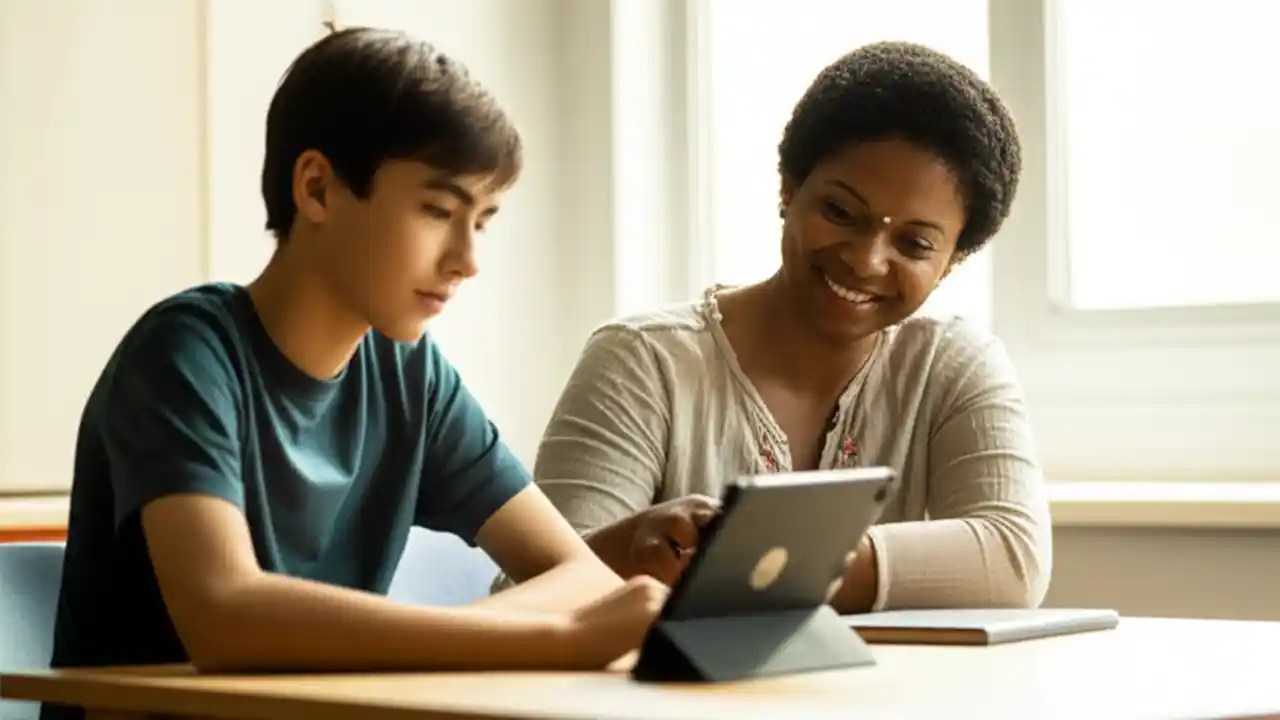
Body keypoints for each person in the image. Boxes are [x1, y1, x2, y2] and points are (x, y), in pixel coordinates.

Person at [46, 27, 665, 718]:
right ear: (317, 189)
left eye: (482, 221)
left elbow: (578, 574)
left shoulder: (411, 375)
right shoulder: (185, 356)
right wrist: (545, 640)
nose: (467, 259)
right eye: (437, 211)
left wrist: (543, 633)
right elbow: (225, 615)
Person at [526, 42, 1051, 613]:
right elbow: (536, 595)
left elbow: (1013, 559)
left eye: (914, 243)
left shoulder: (952, 363)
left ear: (950, 262)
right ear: (788, 189)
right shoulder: (641, 361)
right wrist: (637, 547)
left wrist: (754, 559)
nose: (867, 260)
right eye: (841, 213)